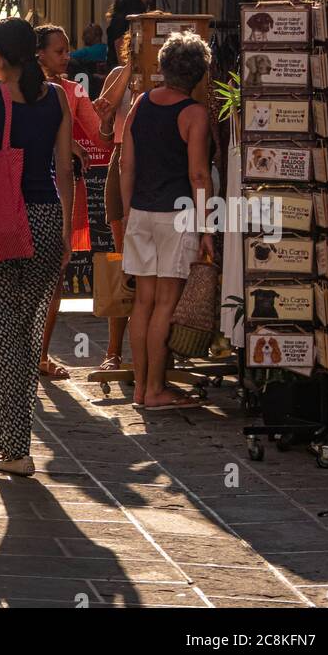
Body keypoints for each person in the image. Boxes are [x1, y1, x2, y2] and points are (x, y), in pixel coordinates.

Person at [0, 19, 74, 477]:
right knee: (25, 338)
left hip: (3, 223)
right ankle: (13, 443)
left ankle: (15, 448)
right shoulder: (59, 97)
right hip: (47, 219)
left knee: (6, 339)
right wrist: (66, 234)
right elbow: (63, 170)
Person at [119, 32, 213, 411]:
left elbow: (126, 163)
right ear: (200, 75)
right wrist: (207, 228)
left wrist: (128, 214)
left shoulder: (140, 104)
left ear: (163, 66)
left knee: (142, 302)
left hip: (141, 211)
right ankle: (156, 389)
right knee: (165, 304)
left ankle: (141, 388)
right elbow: (199, 177)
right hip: (178, 217)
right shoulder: (195, 114)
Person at [35, 25, 113, 380]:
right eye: (60, 51)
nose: (68, 57)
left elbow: (100, 134)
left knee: (51, 280)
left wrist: (110, 105)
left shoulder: (72, 90)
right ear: (39, 54)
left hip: (56, 191)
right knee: (48, 278)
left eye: (67, 51)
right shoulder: (60, 92)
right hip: (51, 192)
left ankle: (37, 355)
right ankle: (35, 356)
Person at [95, 40, 136, 372]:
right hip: (121, 163)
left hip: (159, 169)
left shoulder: (173, 77)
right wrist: (131, 70)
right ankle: (113, 351)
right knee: (122, 259)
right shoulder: (120, 75)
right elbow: (105, 130)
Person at [105, 0, 152, 71]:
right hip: (121, 71)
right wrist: (126, 73)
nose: (149, 0)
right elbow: (120, 48)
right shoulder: (121, 20)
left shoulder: (125, 18)